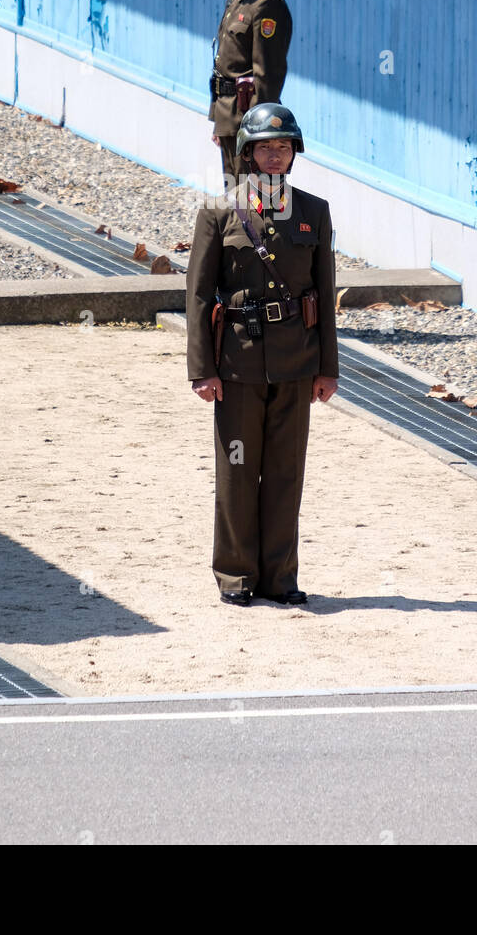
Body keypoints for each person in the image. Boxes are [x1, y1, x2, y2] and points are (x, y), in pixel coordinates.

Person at [186, 102, 339, 606]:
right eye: (264, 148)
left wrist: (327, 369)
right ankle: (235, 576)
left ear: (294, 154)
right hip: (239, 364)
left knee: (284, 473)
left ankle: (280, 578)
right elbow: (198, 296)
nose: (275, 156)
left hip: (296, 362)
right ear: (247, 154)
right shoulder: (217, 213)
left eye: (284, 147)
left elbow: (325, 291)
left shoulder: (314, 212)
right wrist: (202, 369)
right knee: (237, 470)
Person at [209, 0, 292, 184]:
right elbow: (223, 63)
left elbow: (268, 76)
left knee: (251, 196)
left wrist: (258, 133)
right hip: (228, 115)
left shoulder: (267, 4)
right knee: (233, 193)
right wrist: (217, 120)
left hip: (247, 119)